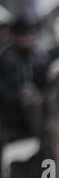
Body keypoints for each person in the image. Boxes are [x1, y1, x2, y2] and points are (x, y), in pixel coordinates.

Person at [0, 15, 48, 148]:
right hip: (10, 109)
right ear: (15, 37)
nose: (27, 39)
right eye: (23, 36)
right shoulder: (5, 57)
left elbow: (47, 83)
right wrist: (18, 95)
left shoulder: (41, 57)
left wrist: (40, 97)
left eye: (29, 35)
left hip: (37, 108)